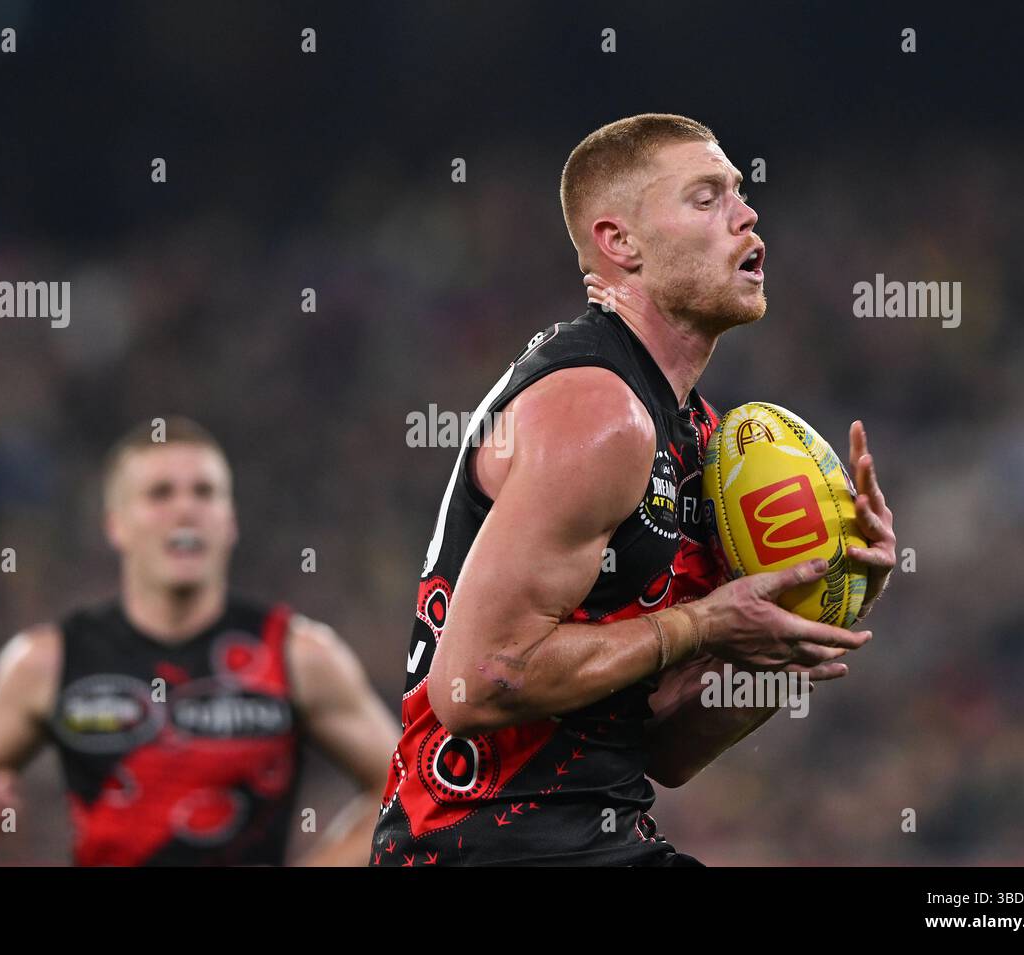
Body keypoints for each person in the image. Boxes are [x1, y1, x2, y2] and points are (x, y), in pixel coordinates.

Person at [371, 114, 896, 866]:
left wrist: (795, 627)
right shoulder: (598, 409)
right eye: (706, 197)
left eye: (740, 194)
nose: (746, 215)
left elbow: (666, 752)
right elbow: (476, 684)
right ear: (621, 244)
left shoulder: (698, 439)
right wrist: (706, 625)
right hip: (485, 847)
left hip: (597, 839)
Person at [0, 416, 399, 865]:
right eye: (160, 493)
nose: (185, 508)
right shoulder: (48, 661)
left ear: (229, 521)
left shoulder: (299, 655)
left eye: (205, 492)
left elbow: (402, 784)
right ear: (116, 524)